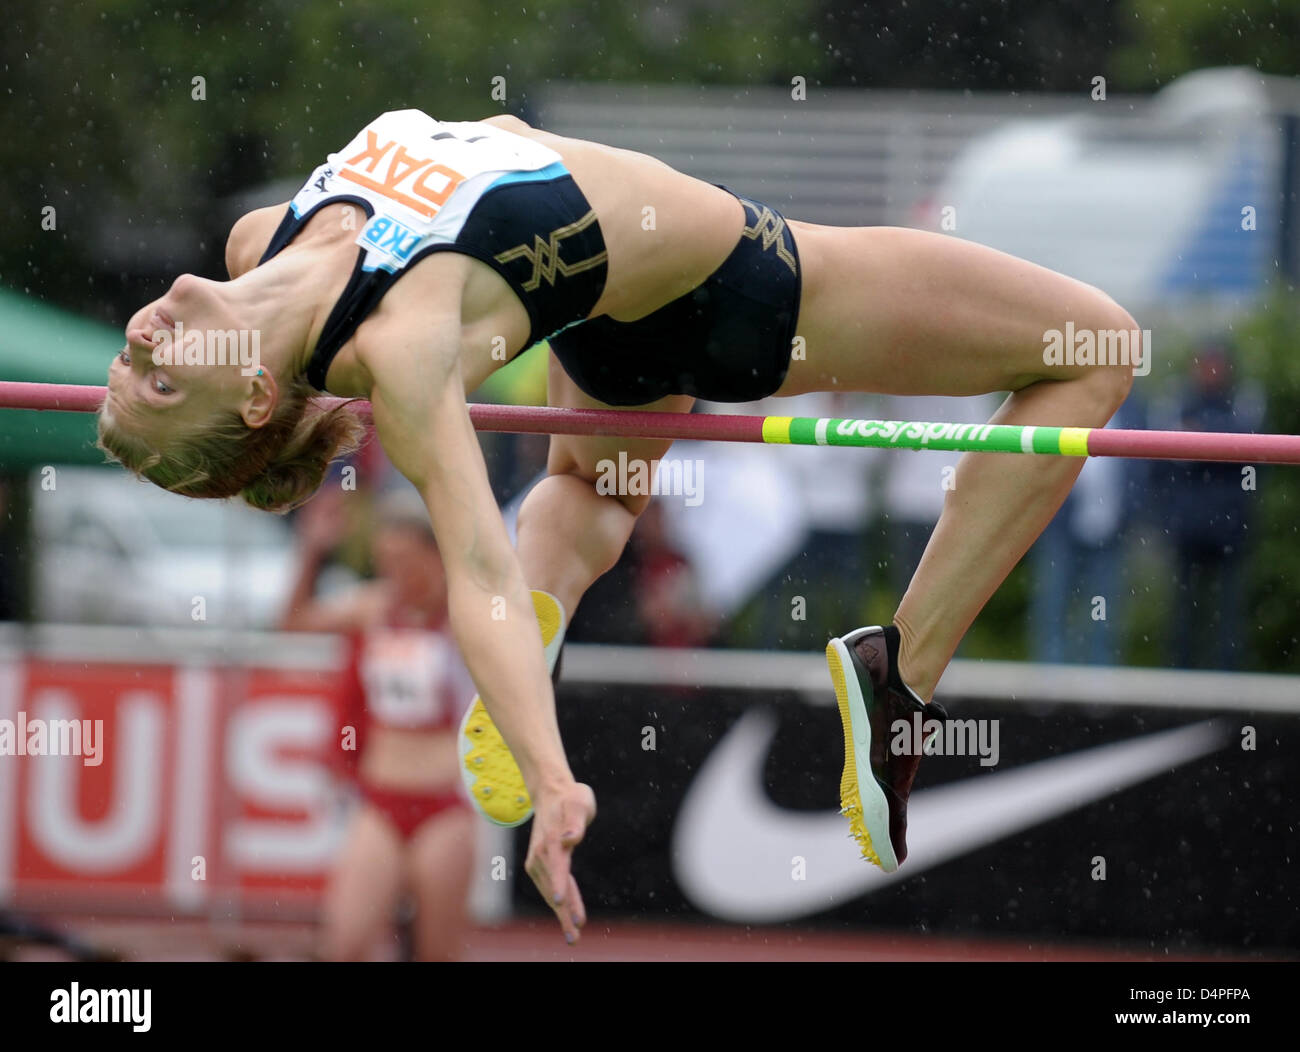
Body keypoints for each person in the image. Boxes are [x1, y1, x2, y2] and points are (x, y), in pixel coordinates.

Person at [95, 108, 1137, 937]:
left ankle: (557, 593)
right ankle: (901, 671)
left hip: (602, 317)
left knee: (594, 493)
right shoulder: (403, 352)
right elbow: (476, 571)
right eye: (159, 384)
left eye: (123, 369)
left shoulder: (258, 239)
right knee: (1095, 346)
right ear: (252, 399)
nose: (138, 347)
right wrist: (553, 778)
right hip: (740, 287)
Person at [280, 485, 476, 960]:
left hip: (442, 805)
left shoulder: (463, 617)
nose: (396, 574)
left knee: (437, 952)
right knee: (345, 942)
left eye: (406, 561)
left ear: (435, 556)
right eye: (386, 561)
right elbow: (295, 622)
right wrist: (312, 550)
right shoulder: (373, 608)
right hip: (380, 801)